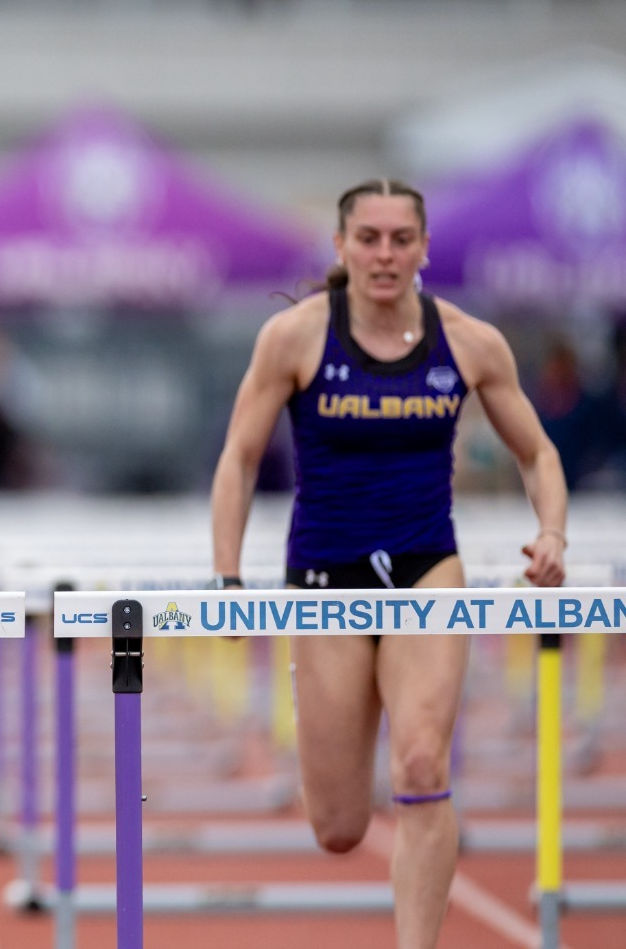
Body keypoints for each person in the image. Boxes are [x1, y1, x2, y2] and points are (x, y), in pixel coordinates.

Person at [209, 179, 567, 948]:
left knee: (419, 761)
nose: (384, 254)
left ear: (424, 248)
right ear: (341, 248)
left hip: (426, 570)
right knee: (338, 825)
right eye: (368, 238)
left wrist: (553, 533)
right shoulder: (296, 337)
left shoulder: (470, 341)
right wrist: (228, 579)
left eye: (401, 239)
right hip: (324, 578)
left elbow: (537, 452)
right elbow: (238, 459)